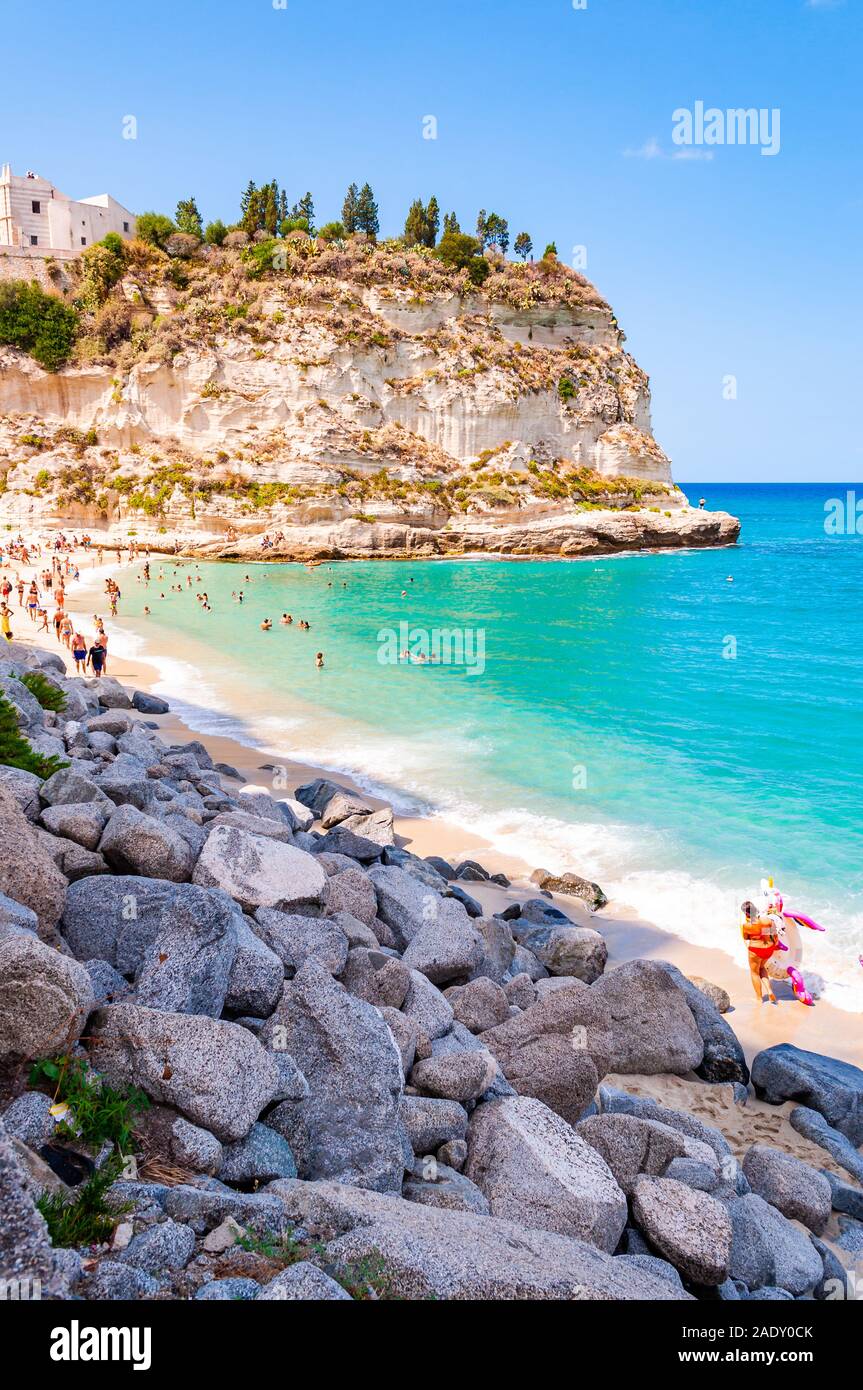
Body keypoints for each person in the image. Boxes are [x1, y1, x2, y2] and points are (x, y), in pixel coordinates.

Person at [740, 899, 780, 1003]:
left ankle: (759, 998)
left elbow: (746, 937)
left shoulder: (746, 926)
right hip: (769, 949)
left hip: (755, 950)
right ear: (755, 909)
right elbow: (774, 935)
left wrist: (753, 929)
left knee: (754, 973)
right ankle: (769, 991)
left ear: (746, 913)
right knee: (762, 968)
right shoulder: (767, 921)